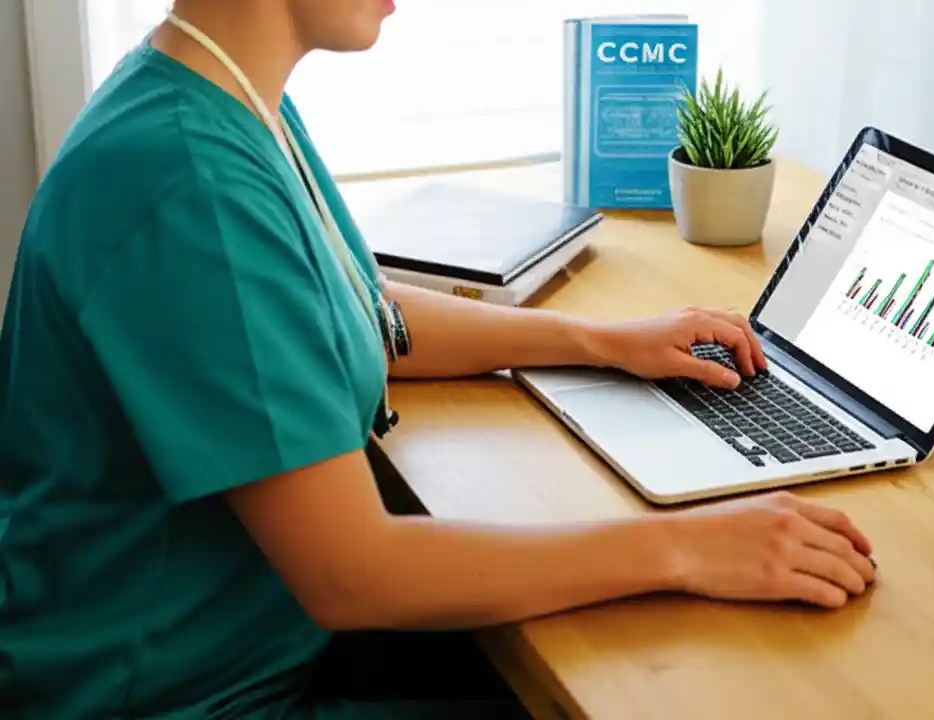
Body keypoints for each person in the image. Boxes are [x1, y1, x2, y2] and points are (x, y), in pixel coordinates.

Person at [0, 0, 877, 717]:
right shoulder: (188, 178)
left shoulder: (217, 97)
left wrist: (598, 342)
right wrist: (686, 548)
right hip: (178, 697)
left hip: (251, 649)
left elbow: (355, 312)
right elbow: (356, 575)